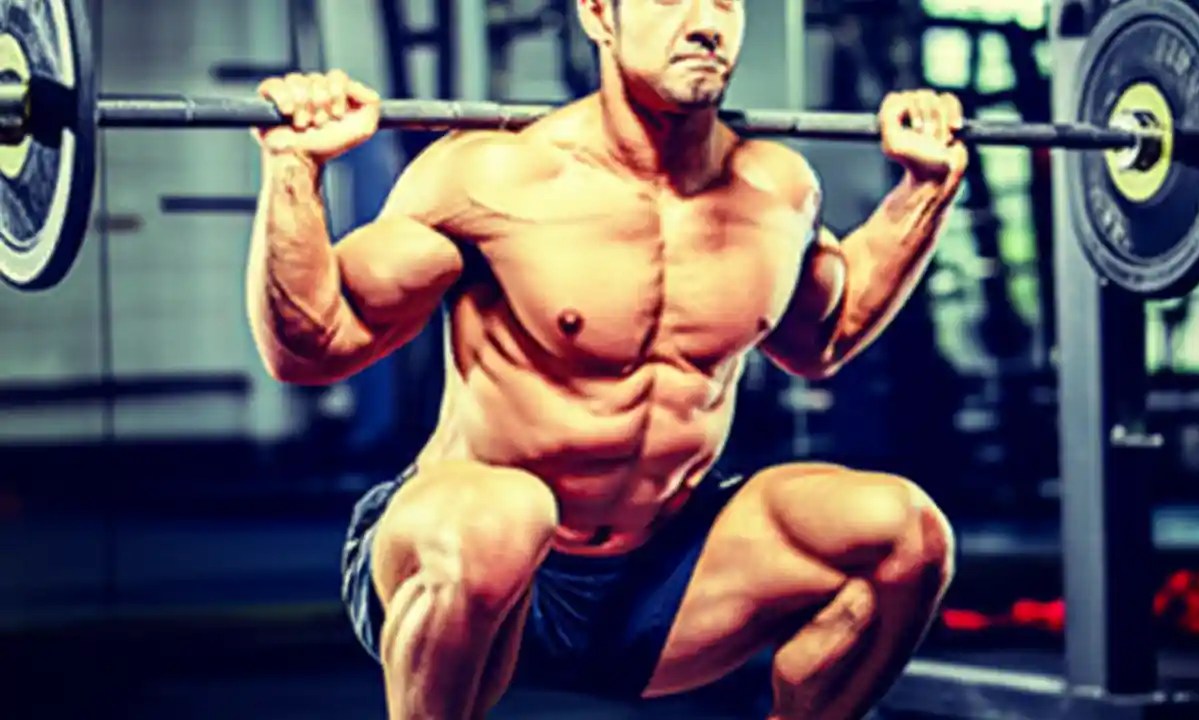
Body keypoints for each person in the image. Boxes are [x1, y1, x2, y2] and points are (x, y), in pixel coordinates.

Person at [247, 1, 966, 718]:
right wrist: (293, 168)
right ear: (599, 13)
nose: (706, 23)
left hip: (660, 581)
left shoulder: (776, 190)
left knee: (904, 533)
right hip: (471, 568)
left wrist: (926, 191)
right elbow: (313, 348)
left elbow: (823, 339)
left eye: (723, 0)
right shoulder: (493, 179)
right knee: (503, 512)